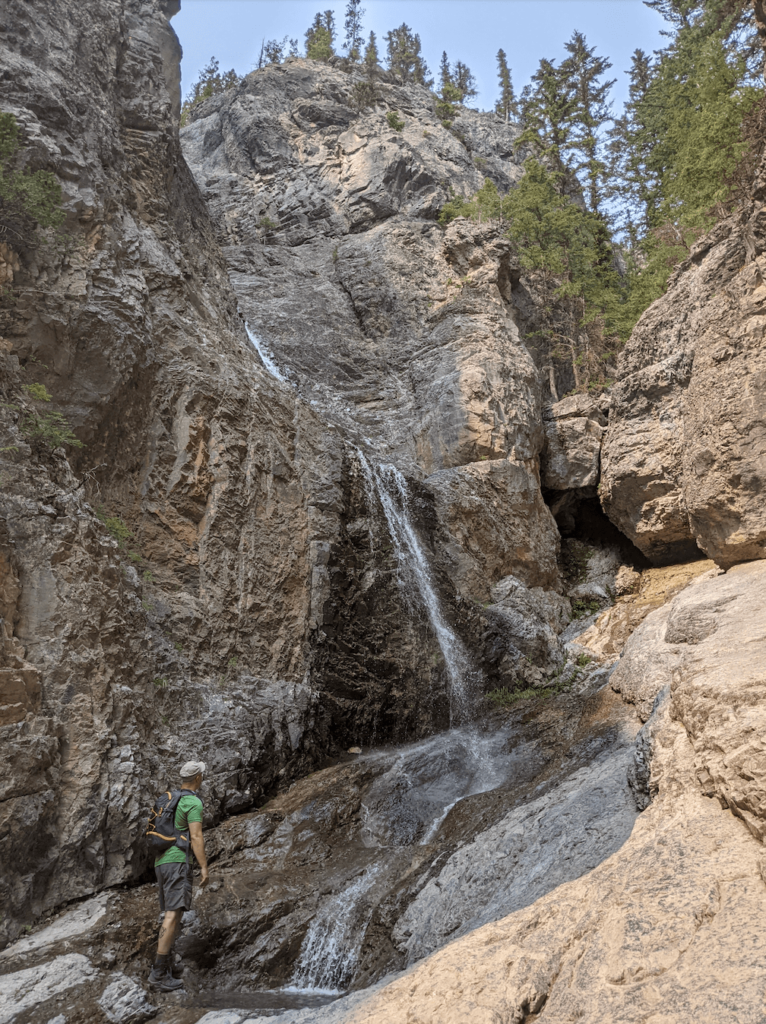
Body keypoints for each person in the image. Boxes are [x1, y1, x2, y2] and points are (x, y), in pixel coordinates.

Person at [148, 760, 210, 991]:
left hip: (161, 862)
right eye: (202, 775)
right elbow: (196, 837)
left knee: (172, 913)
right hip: (177, 862)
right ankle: (158, 974)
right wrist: (203, 866)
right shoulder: (192, 802)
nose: (202, 778)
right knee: (173, 916)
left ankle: (168, 965)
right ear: (197, 779)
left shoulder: (170, 799)